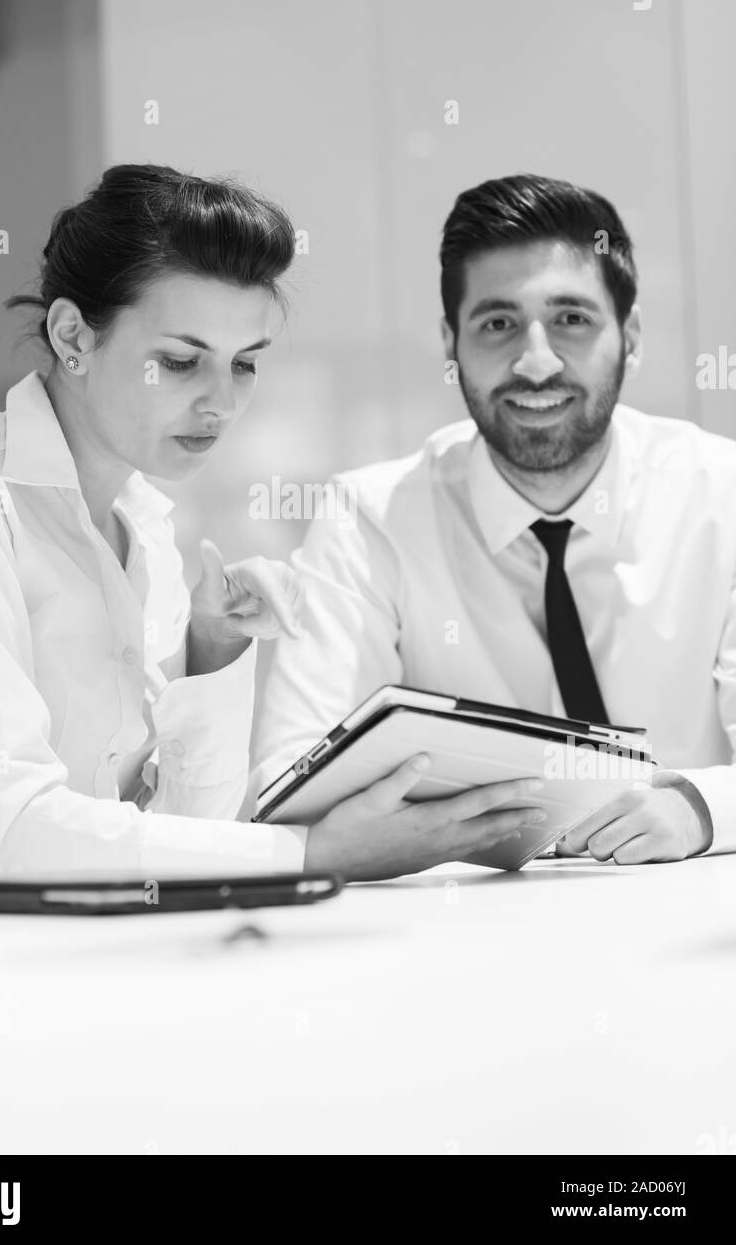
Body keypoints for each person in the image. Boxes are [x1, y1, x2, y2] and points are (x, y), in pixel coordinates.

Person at [0, 164, 544, 885]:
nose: (221, 402)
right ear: (73, 335)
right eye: (181, 361)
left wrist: (213, 653)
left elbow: (190, 835)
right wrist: (313, 854)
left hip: (84, 953)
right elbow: (21, 835)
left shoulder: (145, 528)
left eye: (244, 364)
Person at [254, 173, 736, 865]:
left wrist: (699, 807)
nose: (534, 362)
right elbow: (289, 776)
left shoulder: (721, 497)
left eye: (571, 319)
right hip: (459, 929)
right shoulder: (370, 519)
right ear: (451, 343)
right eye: (497, 323)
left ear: (628, 336)